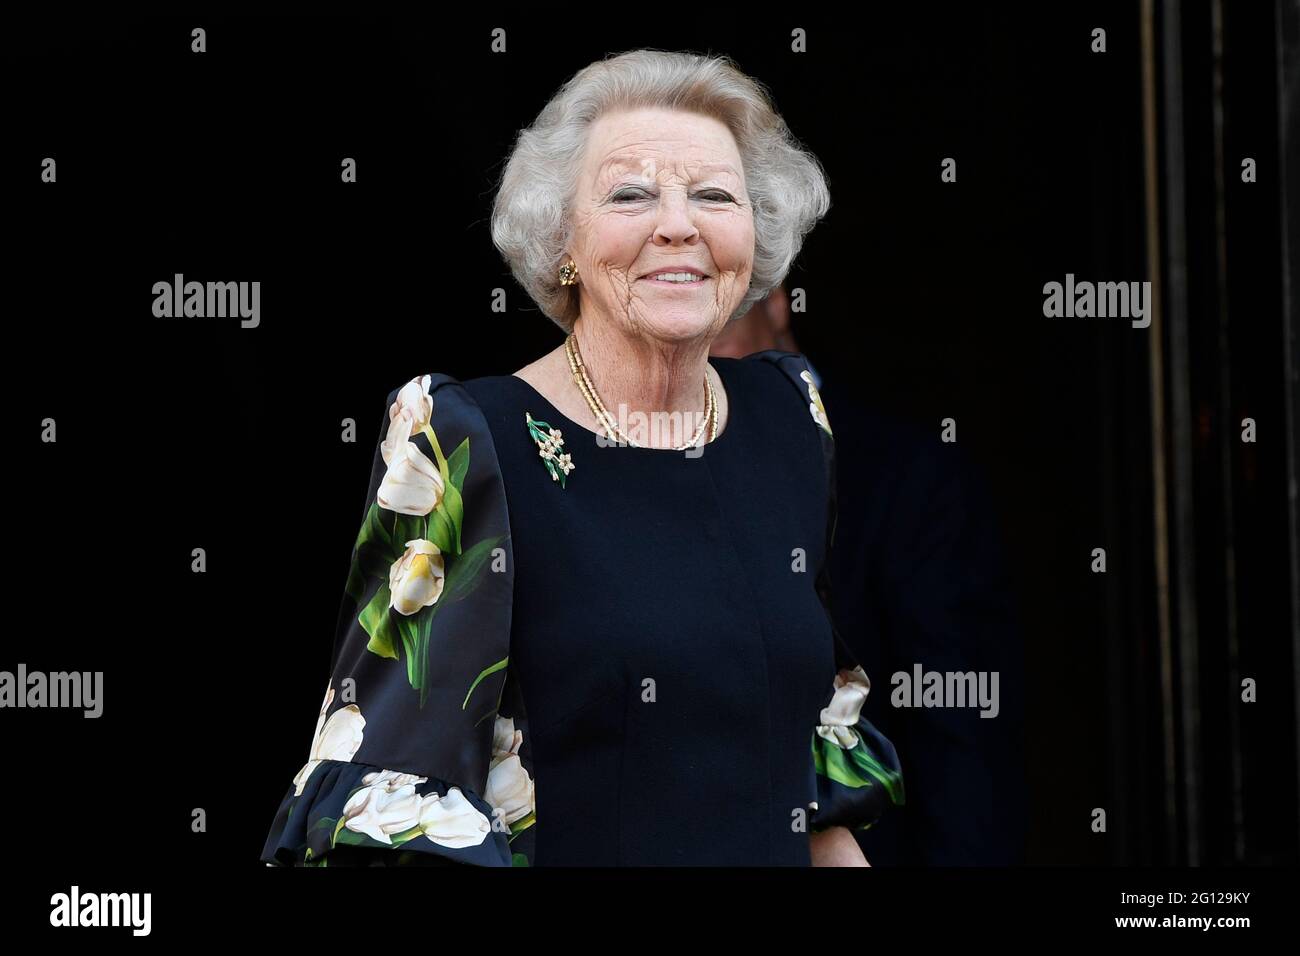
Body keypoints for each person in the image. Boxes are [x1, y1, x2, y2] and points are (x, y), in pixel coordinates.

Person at [259, 49, 904, 867]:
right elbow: (395, 794)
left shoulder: (789, 416)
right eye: (631, 195)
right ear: (564, 242)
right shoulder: (467, 437)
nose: (680, 224)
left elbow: (812, 778)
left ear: (756, 234)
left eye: (713, 194)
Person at [713, 293, 1027, 866]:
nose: (697, 349)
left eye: (721, 313)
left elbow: (961, 730)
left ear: (777, 303)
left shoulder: (904, 477)